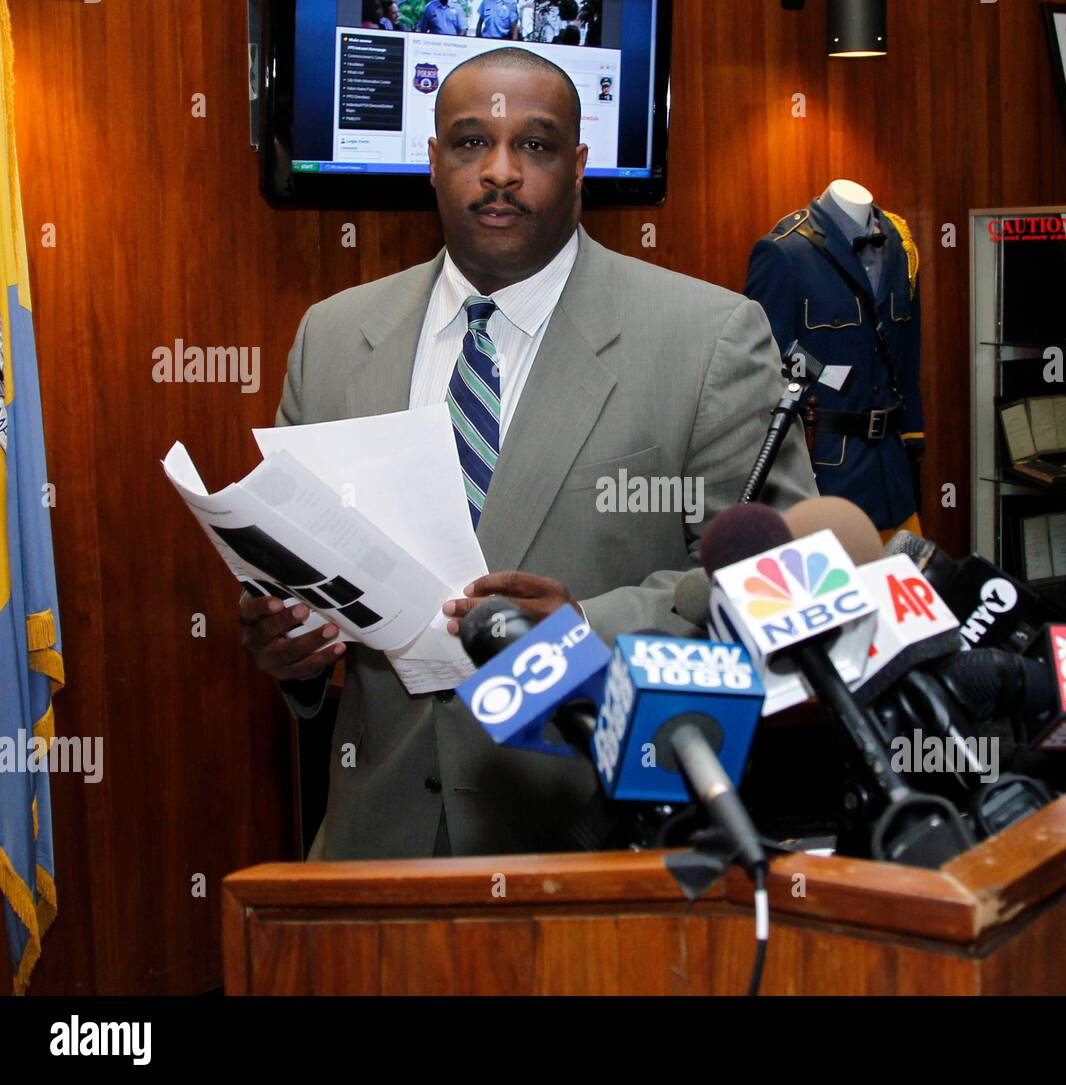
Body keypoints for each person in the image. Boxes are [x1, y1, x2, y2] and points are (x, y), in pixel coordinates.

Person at [239, 48, 817, 861]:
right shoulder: (331, 338)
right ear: (433, 163)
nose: (501, 172)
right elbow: (298, 581)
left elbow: (785, 588)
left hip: (599, 852)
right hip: (375, 860)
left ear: (580, 166)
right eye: (472, 143)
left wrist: (588, 627)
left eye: (536, 146)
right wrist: (290, 647)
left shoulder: (710, 337)